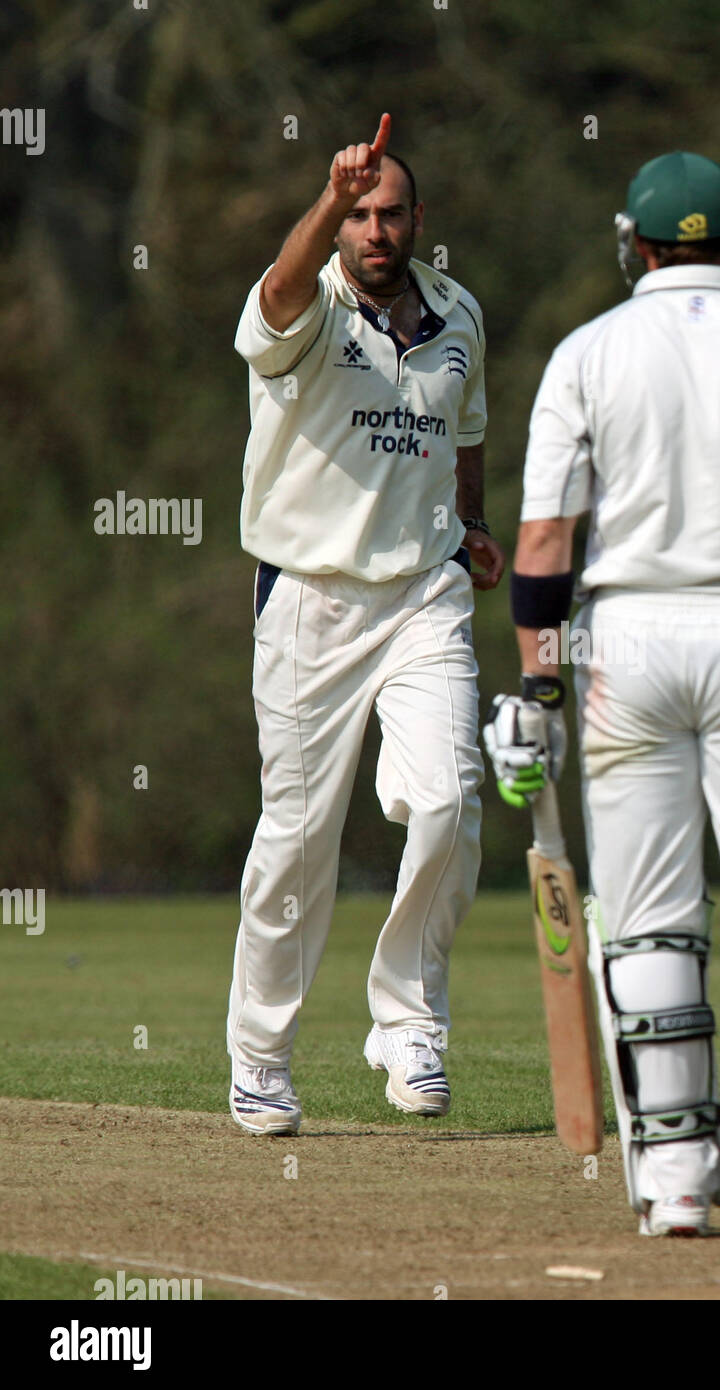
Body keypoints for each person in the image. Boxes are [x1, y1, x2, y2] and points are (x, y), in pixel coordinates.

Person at [484, 152, 720, 1238]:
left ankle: (672, 1181)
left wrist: (537, 685)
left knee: (650, 914)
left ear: (635, 244)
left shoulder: (586, 353)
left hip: (626, 645)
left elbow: (545, 543)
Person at [227, 114, 504, 1136]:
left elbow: (463, 429)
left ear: (417, 220)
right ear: (339, 222)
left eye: (391, 215)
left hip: (422, 593)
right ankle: (259, 1055)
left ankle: (408, 1021)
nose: (375, 232)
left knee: (446, 800)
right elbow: (275, 295)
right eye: (359, 215)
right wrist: (323, 204)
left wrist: (472, 526)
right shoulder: (308, 303)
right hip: (309, 596)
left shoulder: (459, 314)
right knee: (298, 840)